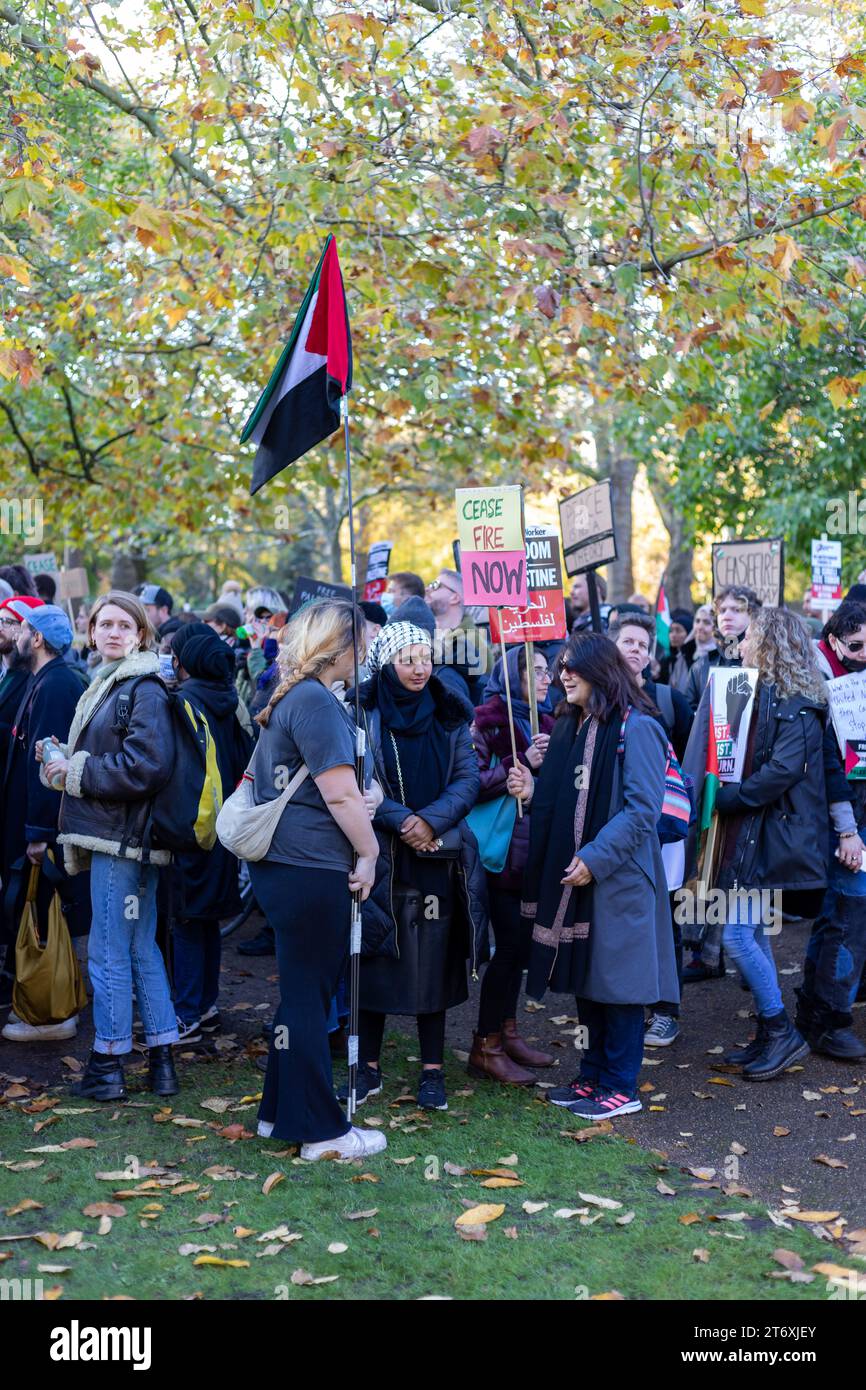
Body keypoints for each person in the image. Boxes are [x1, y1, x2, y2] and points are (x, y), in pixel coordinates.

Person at [246, 600, 386, 1161]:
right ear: (339, 645)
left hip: (291, 866)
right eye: (364, 641)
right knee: (309, 997)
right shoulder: (314, 701)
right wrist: (370, 851)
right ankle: (322, 1133)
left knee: (302, 994)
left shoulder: (304, 696)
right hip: (308, 866)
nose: (370, 650)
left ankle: (280, 1113)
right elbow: (337, 793)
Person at [524, 633, 677, 1119]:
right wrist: (531, 785)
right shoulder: (574, 725)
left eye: (572, 667)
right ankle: (591, 1077)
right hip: (582, 874)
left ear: (600, 671)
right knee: (589, 979)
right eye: (560, 666)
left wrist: (594, 857)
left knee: (621, 985)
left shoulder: (640, 727)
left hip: (621, 876)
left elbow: (641, 811)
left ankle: (620, 1086)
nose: (562, 675)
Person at [40, 591, 179, 1101]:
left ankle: (109, 1063)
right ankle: (162, 1062)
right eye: (105, 624)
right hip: (124, 838)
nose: (114, 632)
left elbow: (146, 766)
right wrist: (62, 759)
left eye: (125, 625)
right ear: (91, 631)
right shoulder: (109, 682)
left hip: (124, 841)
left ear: (141, 633)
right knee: (140, 947)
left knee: (107, 951)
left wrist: (74, 770)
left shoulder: (140, 686)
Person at [345, 621, 488, 1114]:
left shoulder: (451, 713)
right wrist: (401, 819)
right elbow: (359, 786)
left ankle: (432, 1070)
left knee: (434, 963)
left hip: (439, 856)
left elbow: (468, 780)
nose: (419, 668)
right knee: (377, 957)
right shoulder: (362, 713)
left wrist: (429, 823)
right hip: (381, 854)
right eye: (407, 659)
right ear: (387, 663)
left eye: (424, 658)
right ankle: (368, 1068)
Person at [712, 608, 827, 1079]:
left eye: (749, 638)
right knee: (752, 933)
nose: (741, 646)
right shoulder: (769, 695)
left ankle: (782, 1030)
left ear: (770, 643)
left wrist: (729, 797)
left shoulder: (798, 701)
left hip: (770, 831)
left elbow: (782, 771)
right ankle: (768, 1030)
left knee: (735, 935)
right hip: (756, 830)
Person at [0, 604, 90, 1041]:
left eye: (22, 630)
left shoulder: (56, 685)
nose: (15, 635)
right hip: (27, 826)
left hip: (41, 832)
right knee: (32, 914)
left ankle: (53, 1015)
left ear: (36, 638)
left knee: (42, 919)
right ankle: (38, 1005)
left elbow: (48, 769)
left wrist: (38, 835)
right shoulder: (44, 680)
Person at [468, 646, 556, 1083]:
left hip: (534, 856)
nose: (546, 679)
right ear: (512, 676)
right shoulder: (487, 719)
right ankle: (484, 1045)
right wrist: (517, 765)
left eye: (547, 672)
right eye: (535, 672)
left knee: (521, 948)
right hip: (501, 859)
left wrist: (550, 763)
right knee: (506, 950)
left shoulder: (552, 723)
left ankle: (508, 1031)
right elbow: (469, 784)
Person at [608, 612, 694, 1048]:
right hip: (614, 826)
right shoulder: (598, 699)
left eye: (644, 644)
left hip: (660, 827)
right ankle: (625, 1004)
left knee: (663, 918)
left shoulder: (670, 700)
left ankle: (665, 1010)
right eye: (628, 641)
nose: (637, 649)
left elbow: (694, 756)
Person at [168, 624, 254, 1044]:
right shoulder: (229, 699)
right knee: (206, 921)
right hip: (227, 828)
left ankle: (185, 1012)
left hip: (192, 829)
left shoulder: (183, 703)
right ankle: (207, 1005)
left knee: (185, 920)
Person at [795, 601, 866, 1060]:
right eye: (857, 646)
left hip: (853, 817)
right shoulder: (819, 684)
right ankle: (830, 1019)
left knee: (836, 916)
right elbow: (829, 765)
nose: (864, 654)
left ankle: (814, 1009)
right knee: (849, 920)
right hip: (844, 821)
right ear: (835, 640)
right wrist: (847, 831)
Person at [685, 586, 761, 712]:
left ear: (752, 615)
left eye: (736, 610)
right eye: (722, 610)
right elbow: (690, 718)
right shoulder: (701, 666)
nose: (726, 616)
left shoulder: (766, 662)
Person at [425, 569, 493, 703]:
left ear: (454, 597)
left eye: (436, 585)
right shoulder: (429, 638)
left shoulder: (475, 642)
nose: (428, 589)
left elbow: (483, 696)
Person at [0, 595, 40, 747]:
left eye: (8, 622)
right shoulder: (4, 672)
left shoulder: (33, 678)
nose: (0, 627)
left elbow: (26, 735)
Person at [666, 604, 716, 695]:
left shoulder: (723, 656)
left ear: (716, 626)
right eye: (697, 621)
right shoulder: (685, 654)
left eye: (707, 622)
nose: (700, 627)